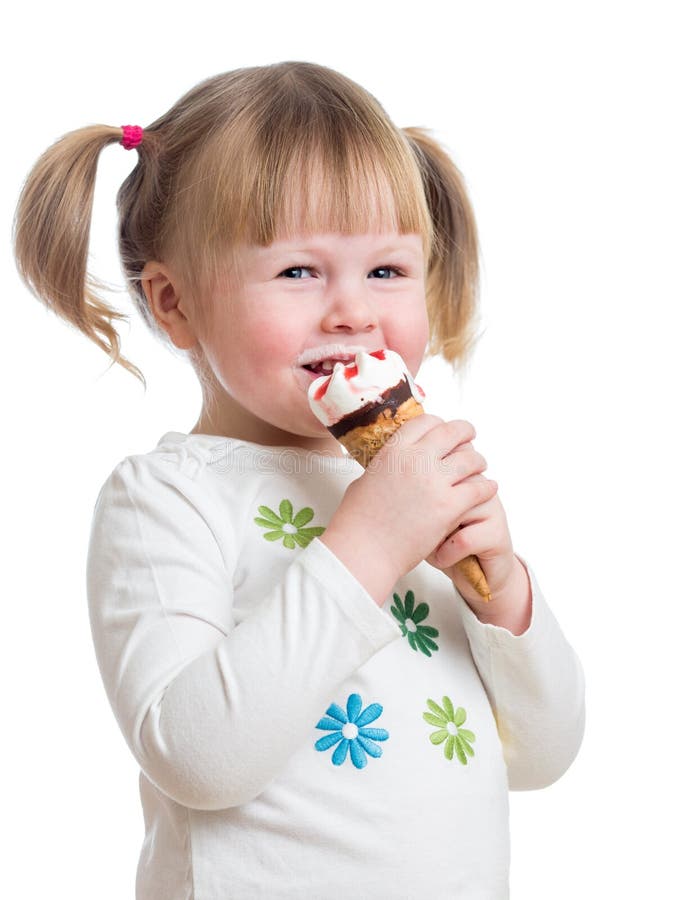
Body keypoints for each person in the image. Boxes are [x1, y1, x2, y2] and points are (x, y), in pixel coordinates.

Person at [13, 61, 585, 899]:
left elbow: (538, 757)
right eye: (297, 272)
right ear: (174, 303)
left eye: (386, 271)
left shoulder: (411, 484)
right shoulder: (166, 497)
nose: (354, 311)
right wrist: (369, 543)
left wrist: (503, 597)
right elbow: (199, 760)